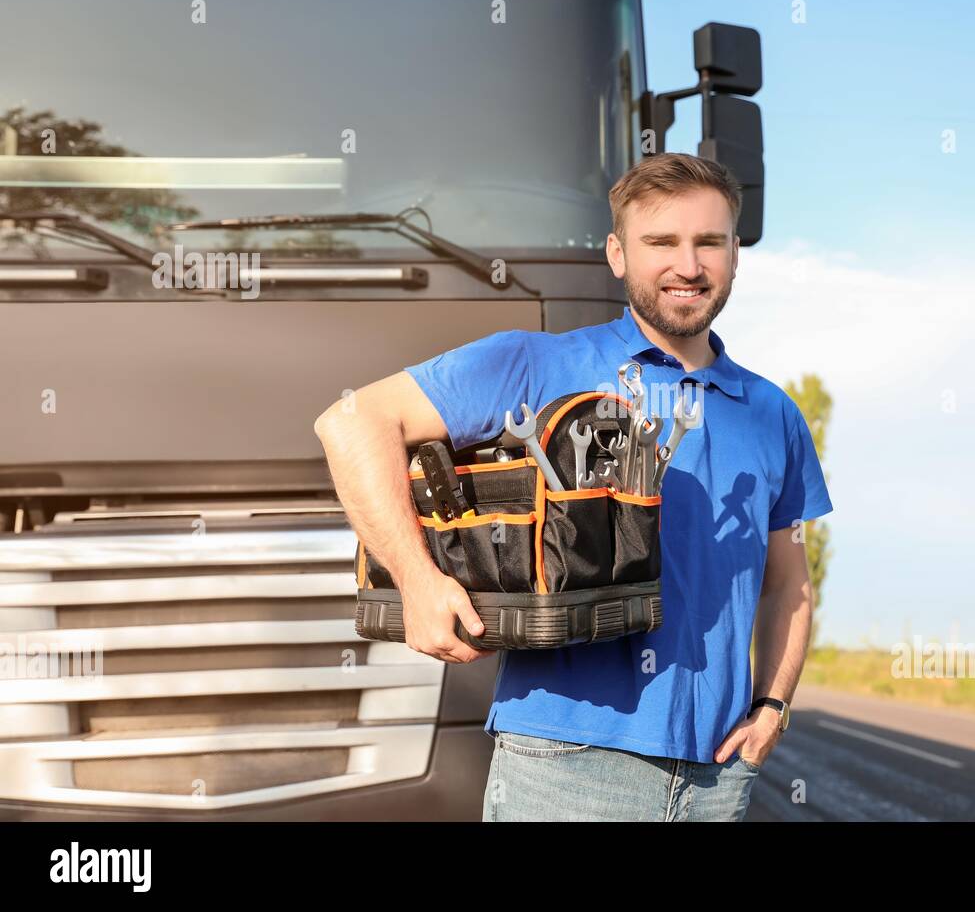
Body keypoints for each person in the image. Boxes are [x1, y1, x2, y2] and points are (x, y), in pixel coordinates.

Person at [315, 152, 832, 821]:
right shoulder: (534, 363)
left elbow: (790, 582)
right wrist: (415, 579)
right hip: (565, 768)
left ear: (735, 252)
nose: (688, 264)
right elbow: (353, 423)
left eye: (708, 241)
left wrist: (772, 707)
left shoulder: (772, 414)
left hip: (717, 779)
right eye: (661, 242)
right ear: (618, 254)